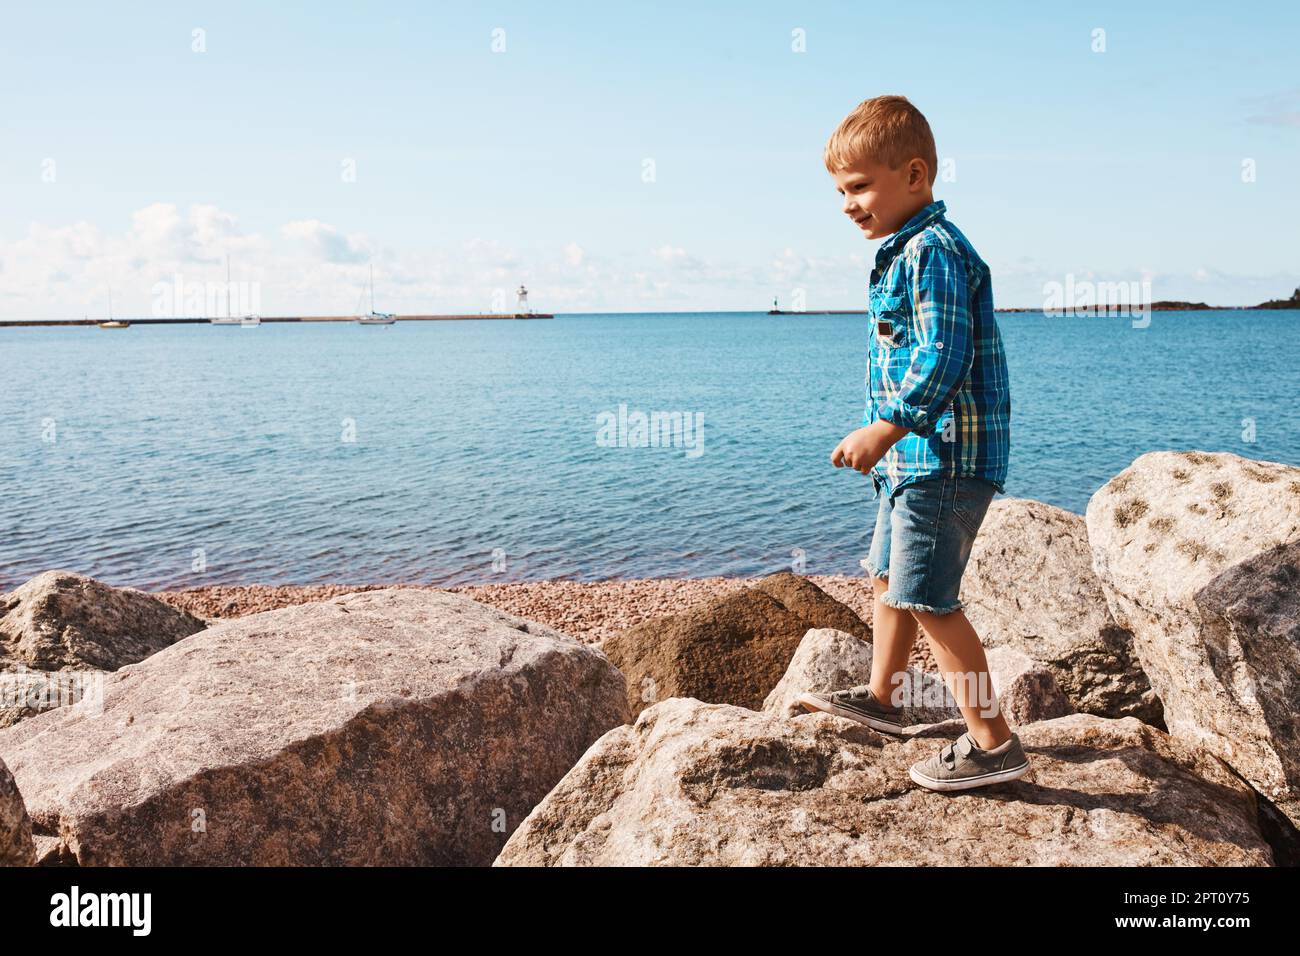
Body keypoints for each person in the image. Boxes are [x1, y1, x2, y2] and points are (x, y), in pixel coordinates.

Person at [796, 95, 1027, 792]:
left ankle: (994, 742)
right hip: (915, 459)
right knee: (887, 578)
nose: (847, 204)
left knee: (930, 599)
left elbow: (943, 358)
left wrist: (883, 429)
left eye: (860, 186)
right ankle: (885, 697)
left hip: (945, 457)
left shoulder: (932, 251)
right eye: (840, 191)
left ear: (916, 175)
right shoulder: (904, 250)